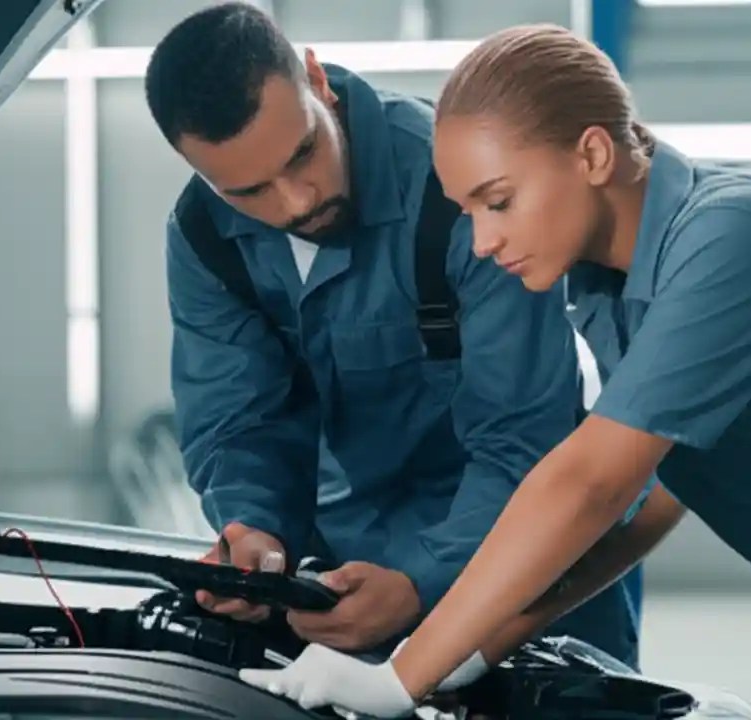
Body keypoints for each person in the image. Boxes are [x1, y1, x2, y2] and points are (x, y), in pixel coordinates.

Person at [238, 23, 751, 719]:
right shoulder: (607, 291)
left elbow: (590, 482)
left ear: (592, 153)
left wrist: (404, 675)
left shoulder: (738, 233)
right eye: (466, 211)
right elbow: (646, 507)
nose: (478, 242)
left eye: (498, 201)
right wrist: (471, 652)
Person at [144, 4, 677, 663]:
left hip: (527, 562)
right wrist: (259, 537)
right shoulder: (203, 237)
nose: (296, 201)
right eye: (249, 191)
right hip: (351, 574)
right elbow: (238, 422)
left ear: (317, 81)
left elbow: (520, 436)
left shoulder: (460, 188)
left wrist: (422, 580)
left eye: (304, 152)